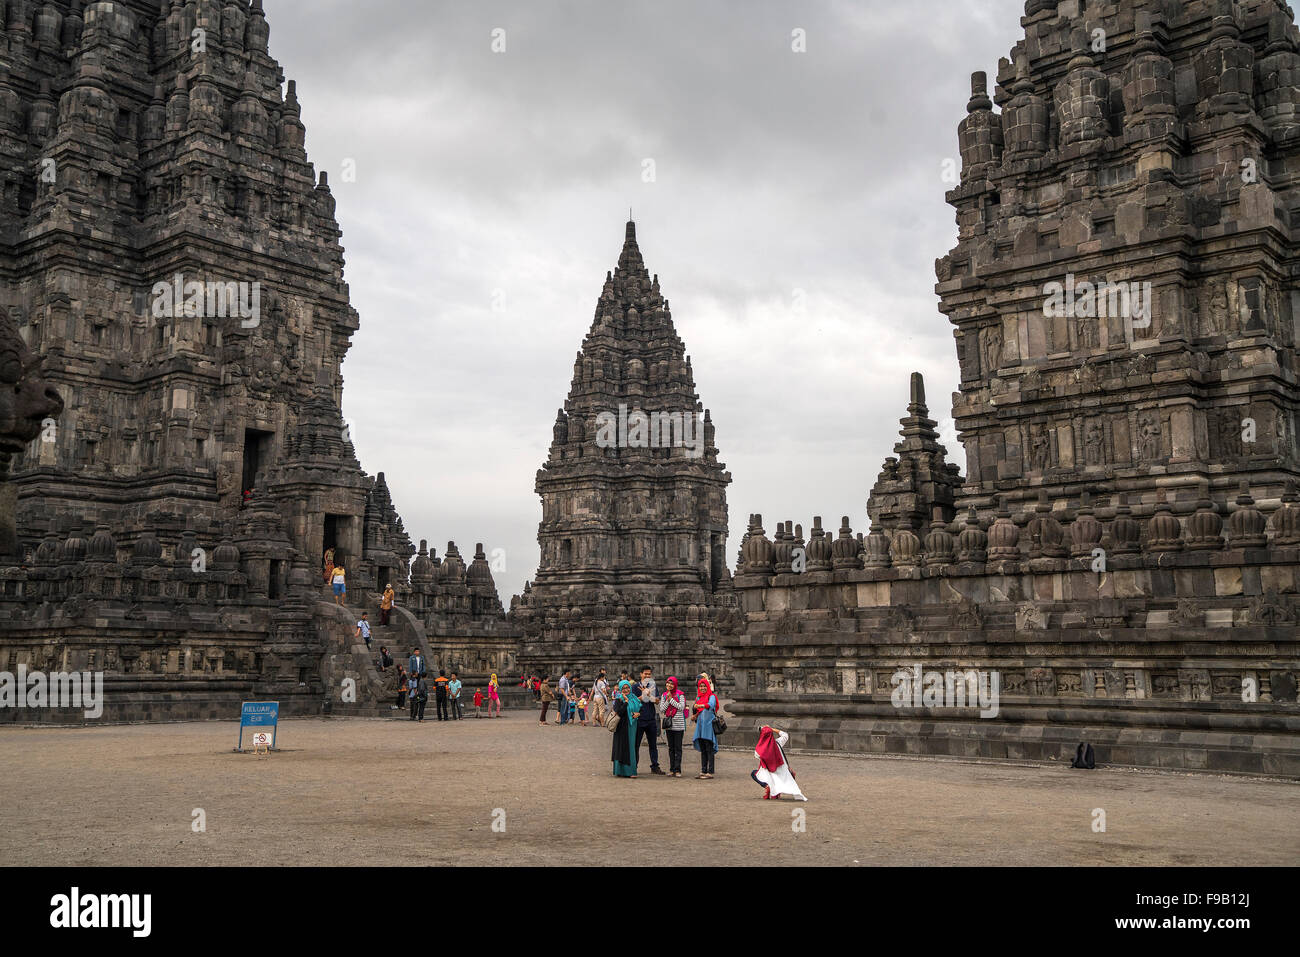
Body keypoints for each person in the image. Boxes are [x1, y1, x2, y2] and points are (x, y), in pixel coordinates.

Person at [752, 726, 807, 801]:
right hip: (783, 774)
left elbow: (757, 756)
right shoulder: (778, 743)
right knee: (784, 775)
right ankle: (776, 791)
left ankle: (766, 786)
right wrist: (772, 729)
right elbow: (785, 735)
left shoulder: (759, 750)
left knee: (754, 773)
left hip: (769, 775)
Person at [632, 666, 664, 775]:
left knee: (653, 744)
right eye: (645, 674)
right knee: (636, 744)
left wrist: (649, 695)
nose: (647, 676)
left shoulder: (653, 686)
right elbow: (632, 701)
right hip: (639, 719)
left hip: (651, 719)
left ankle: (655, 766)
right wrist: (642, 696)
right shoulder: (635, 687)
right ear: (641, 674)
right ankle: (634, 766)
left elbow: (657, 701)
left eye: (649, 674)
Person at [611, 680, 640, 778]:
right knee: (622, 747)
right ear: (620, 689)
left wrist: (638, 714)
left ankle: (631, 771)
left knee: (631, 747)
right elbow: (619, 712)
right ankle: (621, 771)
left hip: (632, 726)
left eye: (627, 687)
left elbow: (640, 708)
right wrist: (626, 702)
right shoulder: (619, 699)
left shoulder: (634, 698)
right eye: (623, 688)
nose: (626, 690)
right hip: (621, 727)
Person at [659, 676, 687, 777]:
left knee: (678, 748)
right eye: (668, 683)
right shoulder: (664, 695)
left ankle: (678, 769)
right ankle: (672, 769)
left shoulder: (680, 694)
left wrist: (671, 700)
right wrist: (668, 700)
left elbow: (681, 707)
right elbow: (662, 709)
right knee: (671, 748)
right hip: (669, 725)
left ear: (675, 685)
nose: (669, 685)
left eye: (672, 684)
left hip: (679, 725)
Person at [692, 677, 719, 779]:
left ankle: (710, 771)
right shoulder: (698, 697)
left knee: (709, 748)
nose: (702, 688)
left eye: (704, 686)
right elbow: (696, 710)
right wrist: (694, 714)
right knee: (703, 749)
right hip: (700, 726)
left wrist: (701, 705)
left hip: (708, 726)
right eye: (701, 686)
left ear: (707, 687)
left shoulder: (711, 696)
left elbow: (711, 705)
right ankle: (703, 770)